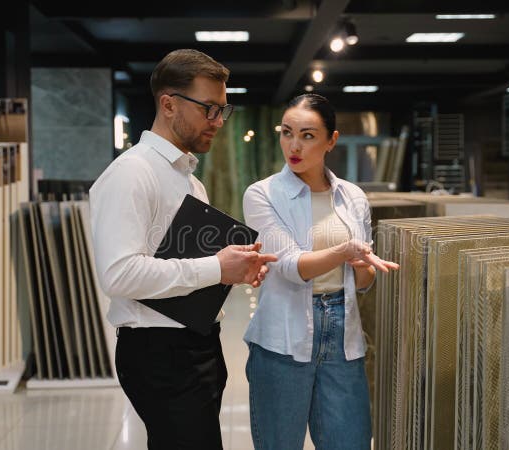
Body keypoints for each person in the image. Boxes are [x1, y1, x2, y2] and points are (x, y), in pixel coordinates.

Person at [89, 49, 277, 450]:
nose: (217, 123)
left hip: (196, 344)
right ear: (169, 103)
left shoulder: (189, 179)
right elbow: (119, 275)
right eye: (209, 109)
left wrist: (234, 269)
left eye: (222, 111)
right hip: (159, 352)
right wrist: (215, 267)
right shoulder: (131, 173)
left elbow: (186, 264)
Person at [242, 93, 400, 449]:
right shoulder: (262, 194)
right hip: (282, 339)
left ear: (331, 140)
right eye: (287, 132)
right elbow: (289, 266)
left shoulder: (353, 197)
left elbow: (361, 281)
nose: (294, 145)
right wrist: (345, 251)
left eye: (308, 135)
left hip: (342, 335)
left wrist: (363, 269)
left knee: (352, 442)